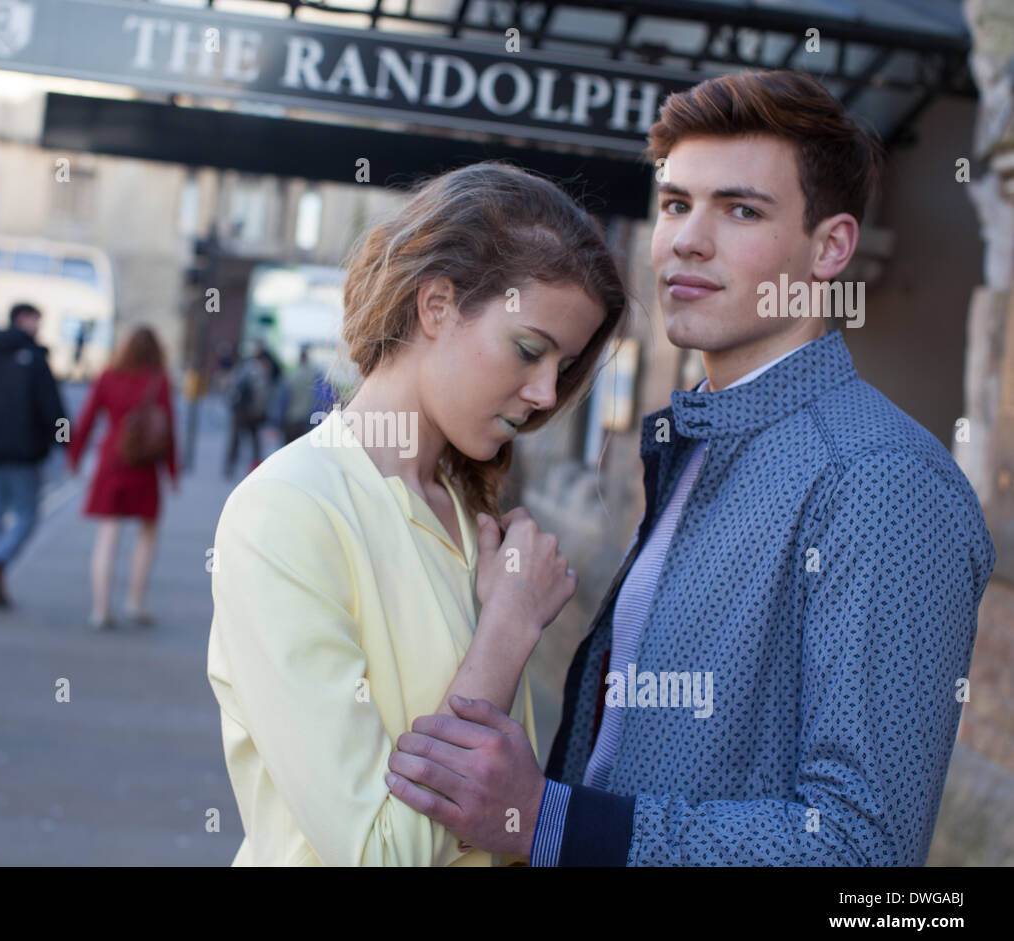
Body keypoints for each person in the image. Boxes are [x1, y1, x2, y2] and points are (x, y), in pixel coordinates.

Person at [386, 70, 998, 866]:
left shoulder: (880, 479)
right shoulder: (702, 443)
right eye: (676, 203)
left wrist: (547, 818)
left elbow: (862, 849)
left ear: (832, 247)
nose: (686, 240)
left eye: (741, 209)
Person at [206, 162, 626, 865]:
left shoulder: (470, 516)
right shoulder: (288, 511)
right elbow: (377, 854)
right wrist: (509, 625)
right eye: (530, 349)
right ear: (437, 305)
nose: (548, 393)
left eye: (565, 366)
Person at [67, 325, 179, 629]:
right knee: (147, 533)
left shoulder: (108, 376)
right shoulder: (159, 381)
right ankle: (135, 601)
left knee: (107, 535)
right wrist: (173, 472)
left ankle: (100, 609)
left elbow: (88, 418)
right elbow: (168, 430)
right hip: (144, 467)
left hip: (112, 462)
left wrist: (75, 456)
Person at [0, 302, 67, 608]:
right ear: (22, 319)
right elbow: (53, 409)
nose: (38, 326)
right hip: (23, 455)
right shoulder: (34, 360)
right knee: (27, 516)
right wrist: (65, 444)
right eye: (35, 319)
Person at [222, 345, 271, 479]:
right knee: (255, 442)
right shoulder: (259, 371)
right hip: (251, 412)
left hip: (239, 411)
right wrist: (260, 412)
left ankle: (229, 467)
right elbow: (261, 394)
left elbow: (231, 387)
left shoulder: (243, 368)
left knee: (235, 440)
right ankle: (256, 468)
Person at [280, 345, 331, 445]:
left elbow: (283, 400)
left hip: (291, 419)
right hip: (307, 419)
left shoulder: (291, 377)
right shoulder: (314, 376)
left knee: (289, 449)